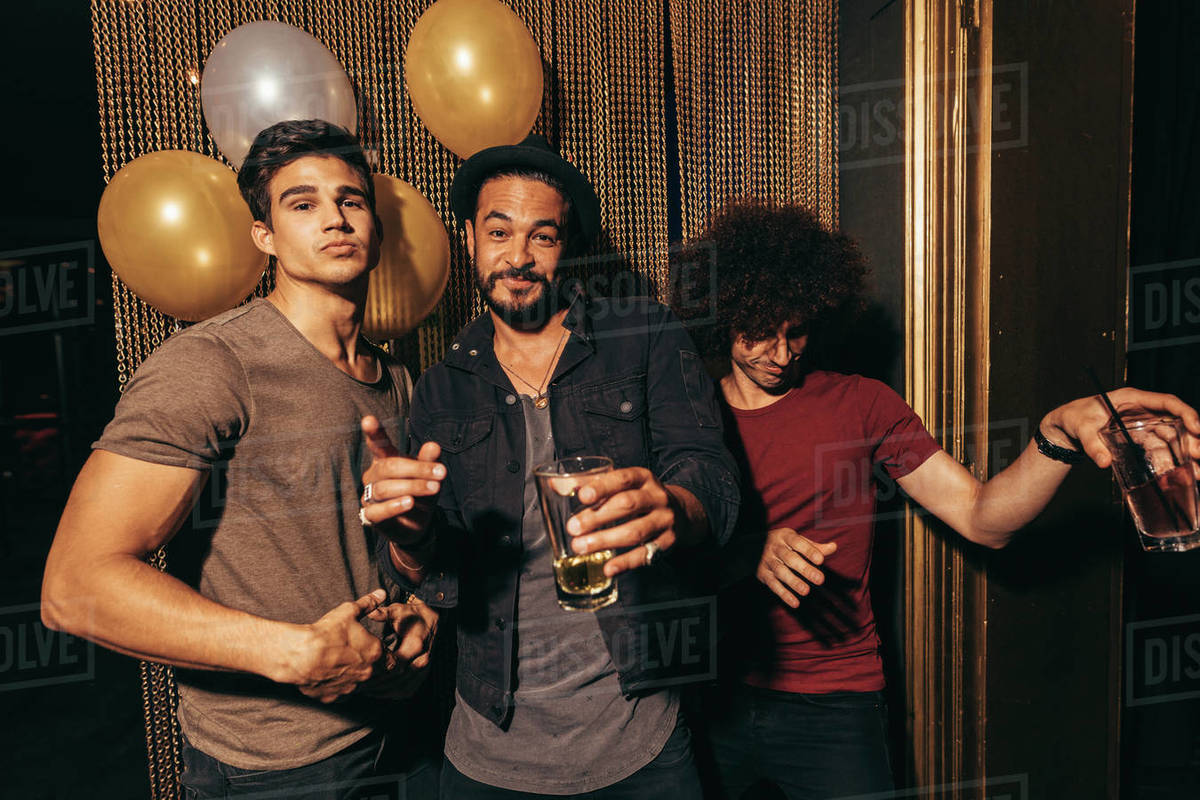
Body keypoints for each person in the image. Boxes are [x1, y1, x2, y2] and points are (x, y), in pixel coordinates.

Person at [668, 200, 1200, 799]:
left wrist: (1055, 434)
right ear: (723, 316)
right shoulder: (687, 415)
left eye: (797, 330)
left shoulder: (861, 404)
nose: (783, 352)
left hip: (836, 707)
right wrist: (746, 554)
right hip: (712, 697)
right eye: (760, 332)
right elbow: (658, 563)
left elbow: (982, 519)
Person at [41, 120, 444, 799]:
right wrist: (294, 655)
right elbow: (74, 587)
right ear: (266, 237)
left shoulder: (399, 379)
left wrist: (420, 604)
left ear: (375, 223)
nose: (335, 218)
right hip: (279, 766)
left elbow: (387, 550)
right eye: (302, 203)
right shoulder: (214, 364)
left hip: (401, 728)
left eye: (351, 200)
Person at [358, 134, 741, 799]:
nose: (518, 256)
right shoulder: (442, 387)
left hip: (639, 739)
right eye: (499, 231)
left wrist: (676, 508)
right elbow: (425, 574)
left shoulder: (642, 335)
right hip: (488, 750)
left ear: (566, 246)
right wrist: (410, 535)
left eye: (543, 236)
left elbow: (710, 470)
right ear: (471, 239)